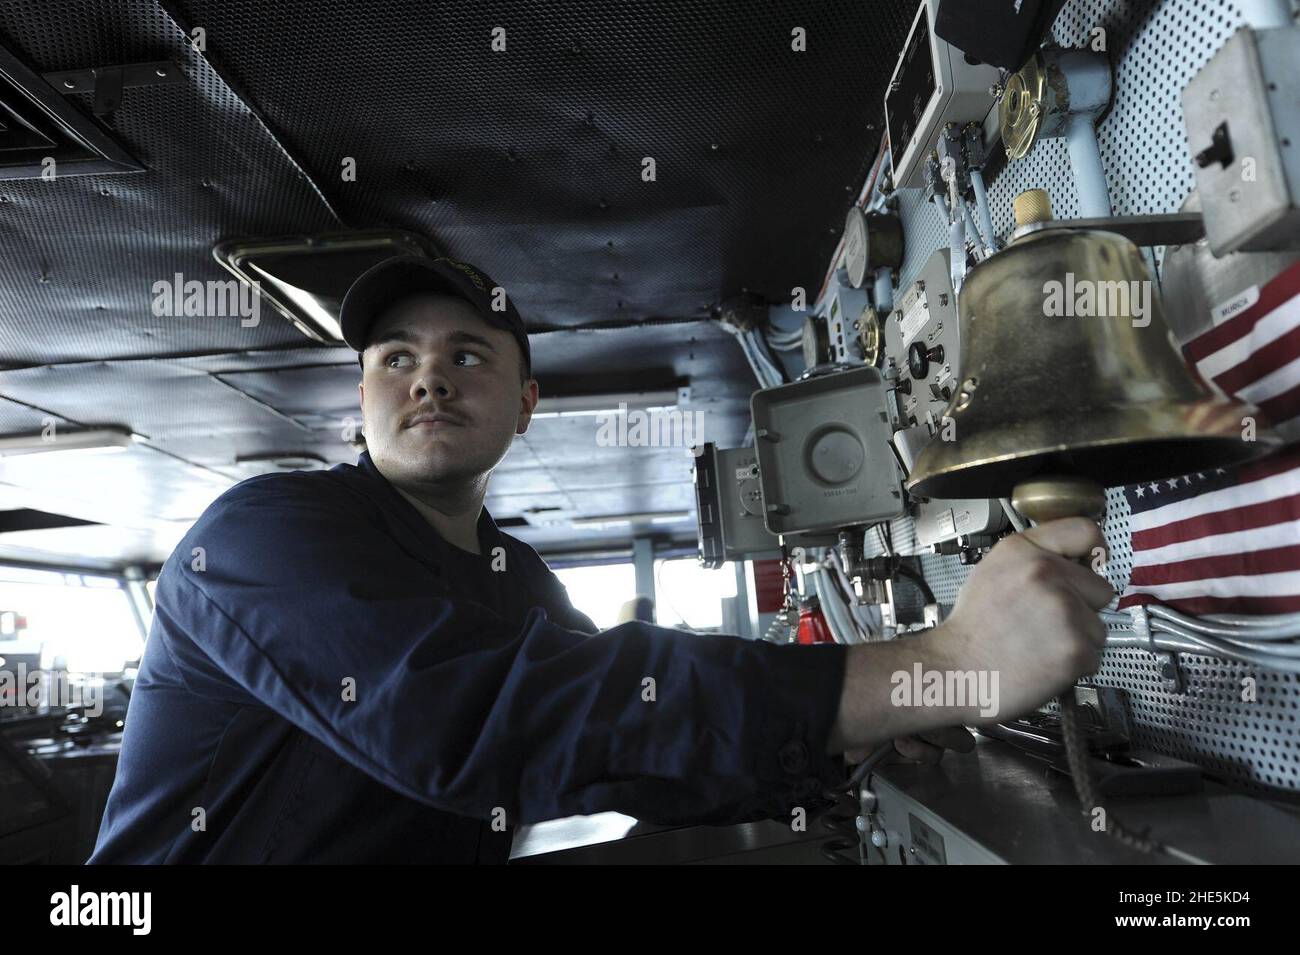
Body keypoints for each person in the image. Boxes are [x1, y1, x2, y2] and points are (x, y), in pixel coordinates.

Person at [88, 256, 1112, 864]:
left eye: (468, 355)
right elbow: (484, 721)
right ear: (357, 401)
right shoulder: (266, 533)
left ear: (526, 406)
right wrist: (929, 661)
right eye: (395, 358)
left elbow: (625, 730)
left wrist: (855, 735)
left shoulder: (517, 581)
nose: (429, 380)